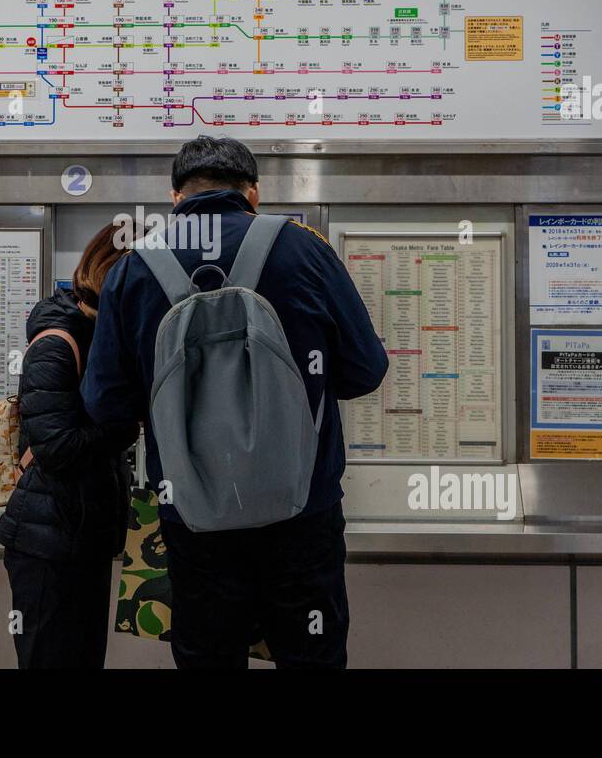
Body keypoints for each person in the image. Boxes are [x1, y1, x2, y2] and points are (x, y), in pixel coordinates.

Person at [81, 136, 388, 668]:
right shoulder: (304, 248)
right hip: (302, 512)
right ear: (254, 193)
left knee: (208, 657)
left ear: (175, 197)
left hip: (194, 520)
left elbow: (107, 405)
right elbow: (366, 370)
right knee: (311, 656)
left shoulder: (134, 270)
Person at [0, 223, 140, 668]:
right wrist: (125, 427)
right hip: (48, 543)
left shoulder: (102, 337)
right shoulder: (58, 344)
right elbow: (56, 447)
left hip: (81, 536)